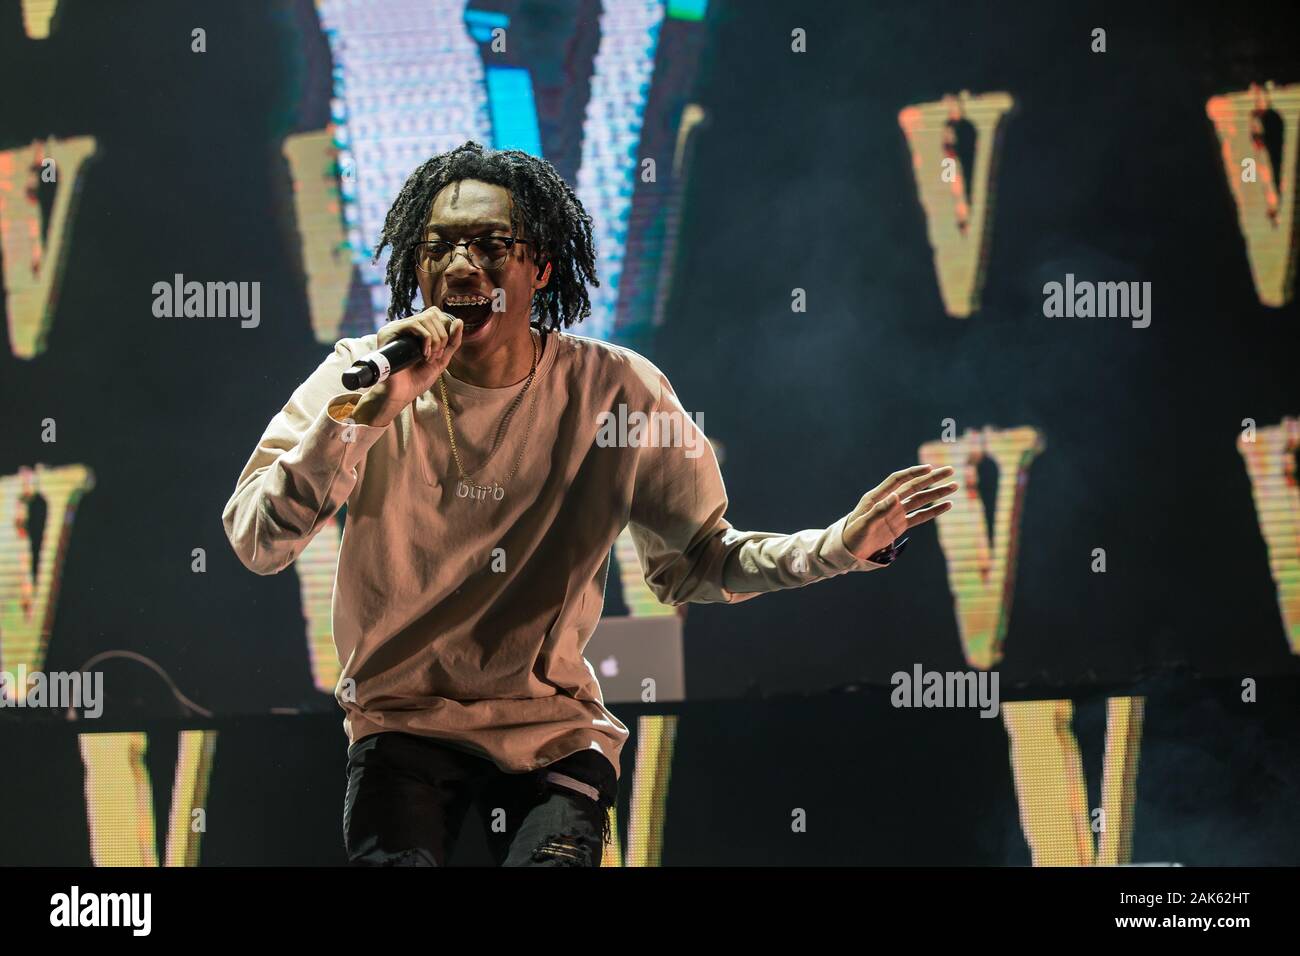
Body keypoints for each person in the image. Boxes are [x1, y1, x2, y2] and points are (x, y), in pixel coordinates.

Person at [221, 140, 957, 866]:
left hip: (552, 731)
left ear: (539, 267)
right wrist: (365, 415)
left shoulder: (619, 391)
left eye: (489, 244)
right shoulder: (360, 377)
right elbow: (258, 540)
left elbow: (698, 561)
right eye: (438, 245)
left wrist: (839, 546)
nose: (459, 264)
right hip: (399, 722)